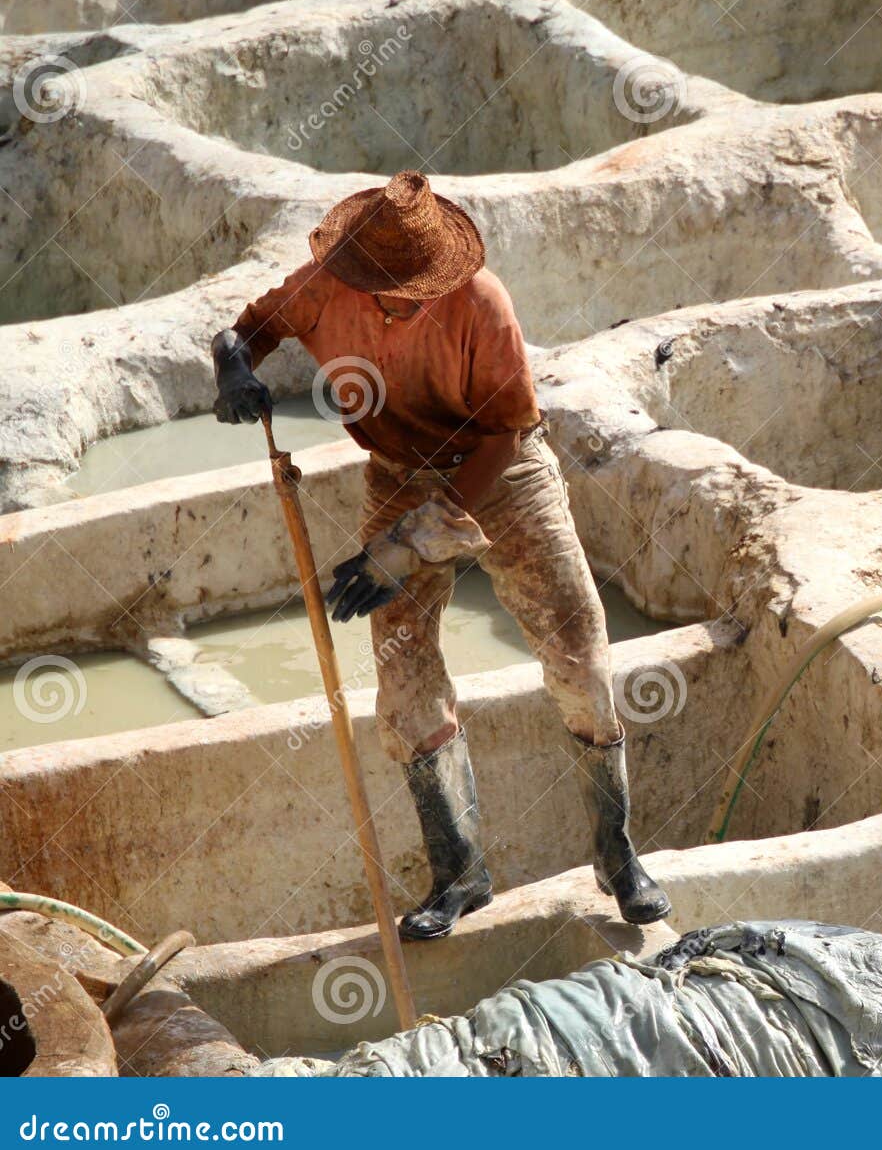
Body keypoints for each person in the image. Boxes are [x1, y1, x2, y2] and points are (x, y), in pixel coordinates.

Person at [211, 170, 670, 937]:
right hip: (397, 474)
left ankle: (617, 854)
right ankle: (459, 873)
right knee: (403, 675)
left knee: (579, 652)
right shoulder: (325, 286)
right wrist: (233, 366)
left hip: (500, 471)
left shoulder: (480, 304)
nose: (399, 306)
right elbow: (246, 331)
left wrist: (410, 545)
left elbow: (504, 433)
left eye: (413, 295)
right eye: (386, 295)